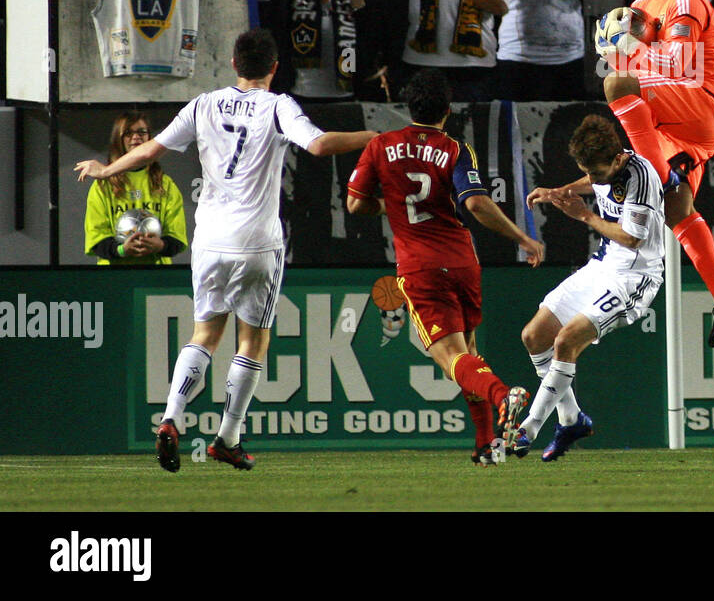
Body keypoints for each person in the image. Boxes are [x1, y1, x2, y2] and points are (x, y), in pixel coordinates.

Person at [75, 28, 378, 471]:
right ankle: (227, 437)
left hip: (210, 242)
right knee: (253, 340)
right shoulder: (278, 106)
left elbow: (148, 152)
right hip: (257, 242)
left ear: (234, 65)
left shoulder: (204, 103)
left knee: (204, 335)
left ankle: (172, 417)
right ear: (274, 68)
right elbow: (318, 144)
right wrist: (372, 136)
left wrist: (105, 170)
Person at [346, 67, 544, 465]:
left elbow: (355, 203)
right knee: (469, 352)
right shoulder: (455, 149)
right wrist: (521, 237)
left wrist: (392, 205)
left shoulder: (381, 145)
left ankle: (505, 395)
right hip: (462, 260)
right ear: (447, 110)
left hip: (420, 266)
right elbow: (474, 202)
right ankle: (486, 444)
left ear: (408, 106)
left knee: (450, 359)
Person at [588, 0, 714, 347]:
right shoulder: (640, 6)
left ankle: (658, 175)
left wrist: (623, 55)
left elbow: (681, 64)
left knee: (617, 84)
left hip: (700, 99)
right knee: (678, 211)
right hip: (673, 119)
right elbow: (626, 59)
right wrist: (612, 51)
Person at [514, 113, 664, 459]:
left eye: (597, 171)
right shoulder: (605, 166)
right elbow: (593, 182)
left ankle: (528, 429)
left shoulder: (640, 177)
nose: (592, 178)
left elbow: (631, 238)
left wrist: (586, 217)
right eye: (587, 170)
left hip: (635, 276)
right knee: (534, 336)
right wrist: (560, 191)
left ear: (616, 159)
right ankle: (571, 419)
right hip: (603, 265)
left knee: (566, 340)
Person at [83, 112, 188, 265]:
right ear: (118, 140)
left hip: (155, 274)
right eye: (128, 133)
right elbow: (96, 238)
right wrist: (122, 249)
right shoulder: (102, 186)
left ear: (149, 138)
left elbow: (177, 238)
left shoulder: (165, 185)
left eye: (141, 132)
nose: (136, 137)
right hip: (113, 275)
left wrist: (160, 245)